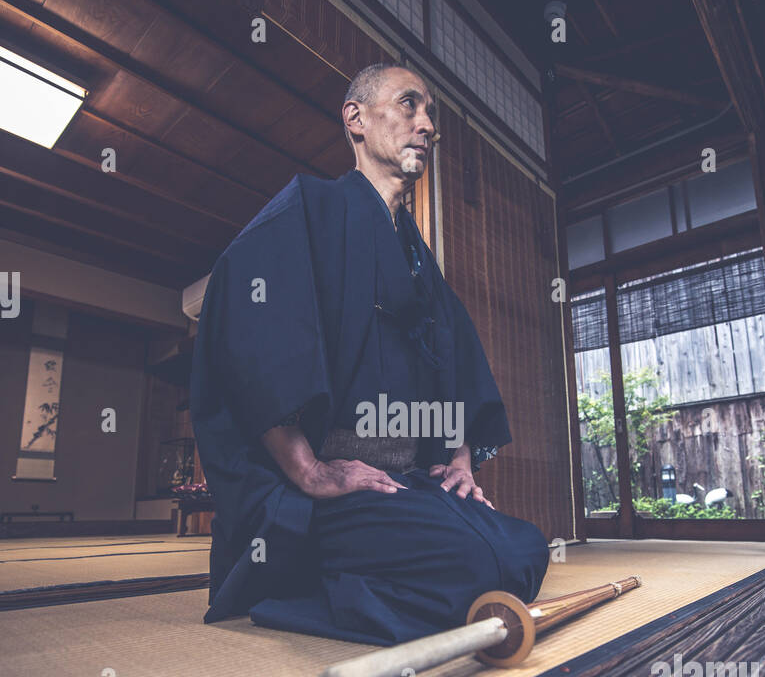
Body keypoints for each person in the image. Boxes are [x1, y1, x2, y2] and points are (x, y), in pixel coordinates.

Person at [190, 63, 548, 645]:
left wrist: (459, 462)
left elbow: (455, 363)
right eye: (410, 105)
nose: (426, 124)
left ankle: (372, 566)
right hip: (327, 493)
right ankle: (304, 579)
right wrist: (311, 470)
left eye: (431, 113)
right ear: (355, 119)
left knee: (523, 547)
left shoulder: (418, 257)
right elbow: (248, 333)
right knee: (476, 561)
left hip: (403, 483)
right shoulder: (308, 207)